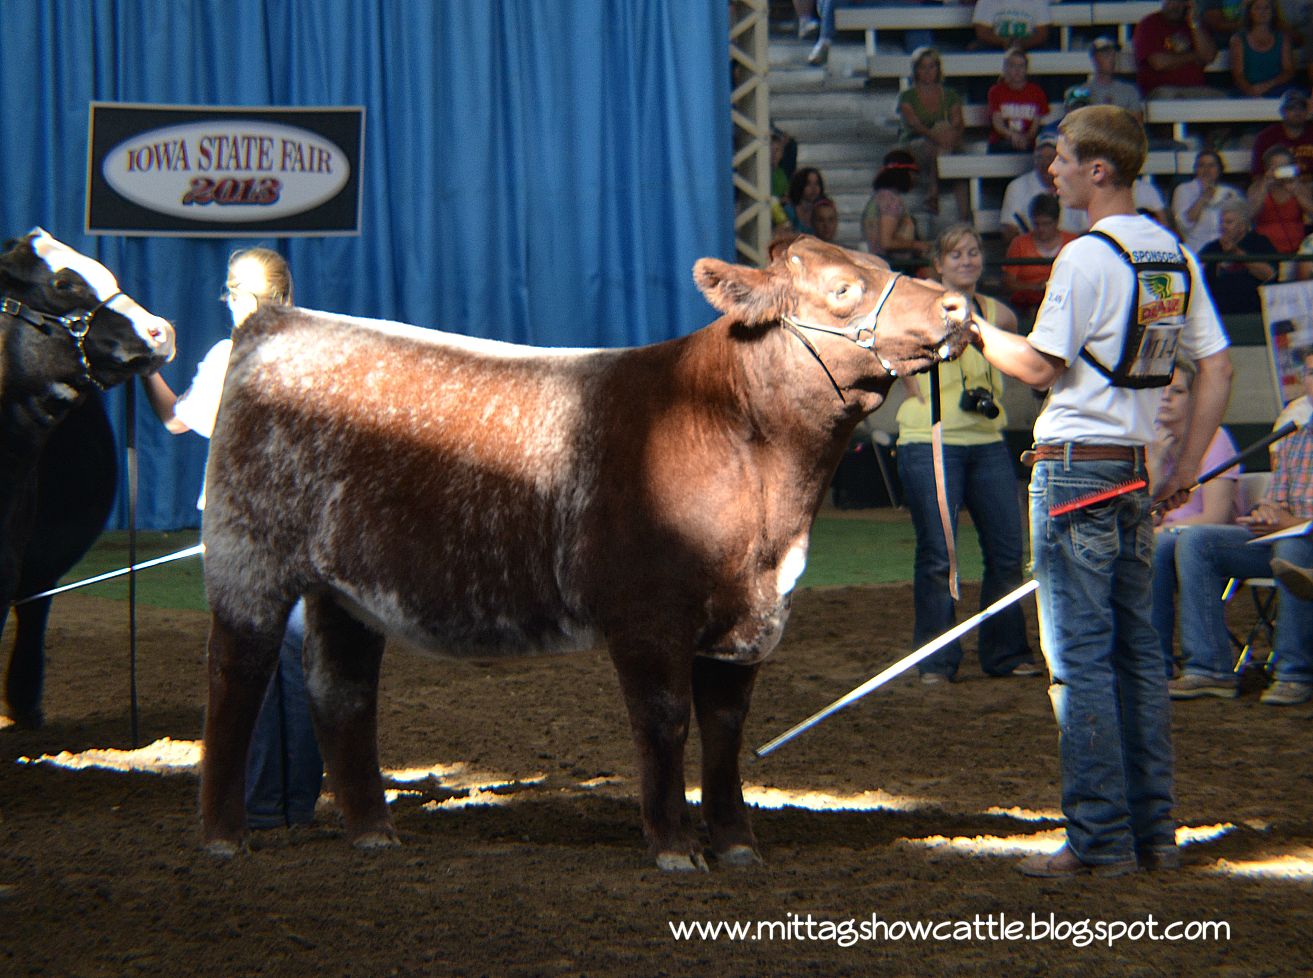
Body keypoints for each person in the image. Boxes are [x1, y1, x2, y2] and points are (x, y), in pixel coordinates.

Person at [970, 105, 1233, 877]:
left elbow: (1039, 366)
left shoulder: (1085, 257)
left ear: (1097, 170)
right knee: (1137, 657)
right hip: (1128, 469)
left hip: (1072, 466)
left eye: (1059, 159)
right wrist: (1182, 466)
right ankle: (1153, 835)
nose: (1049, 171)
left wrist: (974, 329)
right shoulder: (1172, 253)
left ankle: (1096, 841)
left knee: (1079, 660)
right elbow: (1215, 367)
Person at [143, 248, 324, 830]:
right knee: (304, 659)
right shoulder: (320, 351)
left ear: (242, 297)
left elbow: (175, 420)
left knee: (250, 662)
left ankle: (263, 802)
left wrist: (145, 368)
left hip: (243, 531)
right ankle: (297, 799)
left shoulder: (229, 356)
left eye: (231, 294)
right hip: (309, 527)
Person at [895, 223, 1041, 684]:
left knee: (1006, 550)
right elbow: (900, 362)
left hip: (987, 441)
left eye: (974, 253)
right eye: (956, 255)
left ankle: (1006, 653)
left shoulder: (1001, 313)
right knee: (939, 553)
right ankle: (937, 660)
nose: (967, 261)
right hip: (931, 441)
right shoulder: (917, 313)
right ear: (938, 264)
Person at [1168, 347, 1313, 705]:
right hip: (1284, 542)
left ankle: (1294, 673)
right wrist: (1266, 512)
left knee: (1294, 547)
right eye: (1310, 372)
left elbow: (1290, 520)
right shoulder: (1295, 436)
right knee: (1197, 541)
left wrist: (1290, 523)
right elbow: (1276, 499)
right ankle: (1209, 668)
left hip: (1297, 544)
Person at [1149, 360, 1241, 677]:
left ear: (1194, 398)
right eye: (1159, 388)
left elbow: (1215, 516)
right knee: (1145, 545)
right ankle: (1148, 663)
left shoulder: (1215, 439)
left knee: (1163, 544)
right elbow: (1140, 512)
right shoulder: (1147, 442)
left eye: (1176, 391)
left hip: (1209, 541)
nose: (1164, 397)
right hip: (1167, 542)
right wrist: (1157, 459)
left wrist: (1166, 529)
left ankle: (1200, 665)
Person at [897, 46, 969, 220]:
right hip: (915, 145)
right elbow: (915, 125)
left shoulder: (950, 95)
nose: (928, 71)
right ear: (916, 70)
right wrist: (939, 136)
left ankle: (963, 216)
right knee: (934, 145)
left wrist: (946, 137)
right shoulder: (907, 97)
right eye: (923, 67)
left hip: (946, 144)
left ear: (938, 69)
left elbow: (957, 124)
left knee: (960, 164)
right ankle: (933, 190)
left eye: (932, 66)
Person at [999, 133, 1088, 243]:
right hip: (1031, 253)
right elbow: (1009, 229)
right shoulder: (1016, 186)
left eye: (1050, 157)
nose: (1045, 163)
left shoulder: (1077, 186)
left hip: (1071, 248)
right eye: (1040, 157)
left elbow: (1087, 228)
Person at [1134, 0, 1225, 99]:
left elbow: (1208, 56)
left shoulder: (1195, 25)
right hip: (1162, 90)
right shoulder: (1149, 24)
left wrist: (1194, 24)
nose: (1174, 6)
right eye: (1170, 2)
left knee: (1222, 99)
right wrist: (1195, 55)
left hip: (1196, 90)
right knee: (1170, 97)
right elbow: (1159, 63)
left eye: (1179, 2)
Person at [1002, 193, 1076, 313]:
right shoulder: (1019, 243)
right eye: (1036, 224)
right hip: (1025, 307)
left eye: (1046, 224)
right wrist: (1035, 287)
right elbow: (1008, 283)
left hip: (1066, 307)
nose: (1041, 229)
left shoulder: (1072, 243)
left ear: (1057, 221)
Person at [1199, 200, 1278, 312]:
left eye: (1229, 222)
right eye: (1222, 222)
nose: (1223, 227)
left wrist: (1236, 253)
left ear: (1242, 226)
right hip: (1219, 311)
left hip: (1251, 310)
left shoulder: (1259, 243)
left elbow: (1270, 274)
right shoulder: (1213, 247)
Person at [1248, 144, 1313, 272]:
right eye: (1276, 167)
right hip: (1265, 253)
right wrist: (1265, 186)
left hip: (1296, 253)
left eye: (1284, 167)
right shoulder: (1257, 187)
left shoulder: (1300, 187)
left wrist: (1296, 191)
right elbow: (1250, 215)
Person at [861, 150, 932, 261]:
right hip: (894, 265)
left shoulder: (877, 198)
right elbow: (886, 242)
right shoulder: (891, 200)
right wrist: (917, 245)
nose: (915, 178)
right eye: (913, 173)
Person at [1172, 149, 1244, 252]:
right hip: (1196, 252)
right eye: (1202, 165)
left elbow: (1240, 226)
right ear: (1196, 169)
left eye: (1211, 166)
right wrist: (1203, 198)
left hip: (1225, 252)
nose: (1206, 170)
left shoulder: (1230, 192)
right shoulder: (1184, 189)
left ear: (1219, 169)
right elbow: (1184, 225)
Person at [1062, 37, 1144, 123]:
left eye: (1113, 54)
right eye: (1106, 54)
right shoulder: (1081, 92)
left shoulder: (1128, 91)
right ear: (1095, 58)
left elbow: (1137, 125)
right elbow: (1074, 125)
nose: (1111, 59)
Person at [987, 47, 1050, 154]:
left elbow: (1035, 126)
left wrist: (1025, 138)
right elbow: (997, 123)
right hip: (1002, 140)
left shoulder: (1036, 92)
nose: (1017, 70)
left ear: (1026, 69)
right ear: (1005, 68)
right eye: (1012, 66)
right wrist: (1012, 136)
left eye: (1021, 66)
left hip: (1028, 141)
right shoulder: (995, 91)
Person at [1230, 0, 1298, 97]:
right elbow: (1238, 75)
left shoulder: (1283, 38)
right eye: (1257, 8)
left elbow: (1288, 71)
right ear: (1249, 12)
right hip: (1247, 90)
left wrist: (1267, 85)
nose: (1262, 12)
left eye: (1267, 8)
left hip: (1277, 89)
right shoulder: (1238, 39)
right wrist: (1251, 91)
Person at [1250, 88, 1313, 179]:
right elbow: (1257, 175)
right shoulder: (1266, 137)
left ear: (1307, 111)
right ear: (1282, 112)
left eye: (1302, 107)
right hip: (1276, 185)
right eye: (1291, 108)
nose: (1297, 112)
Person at [972, 0, 1053, 51]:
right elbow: (982, 31)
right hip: (995, 45)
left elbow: (1042, 33)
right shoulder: (987, 1)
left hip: (1029, 46)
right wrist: (1005, 42)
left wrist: (1021, 44)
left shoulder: (1038, 1)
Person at [784, 166, 827, 235]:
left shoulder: (823, 210)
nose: (814, 188)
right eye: (808, 184)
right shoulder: (789, 211)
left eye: (816, 183)